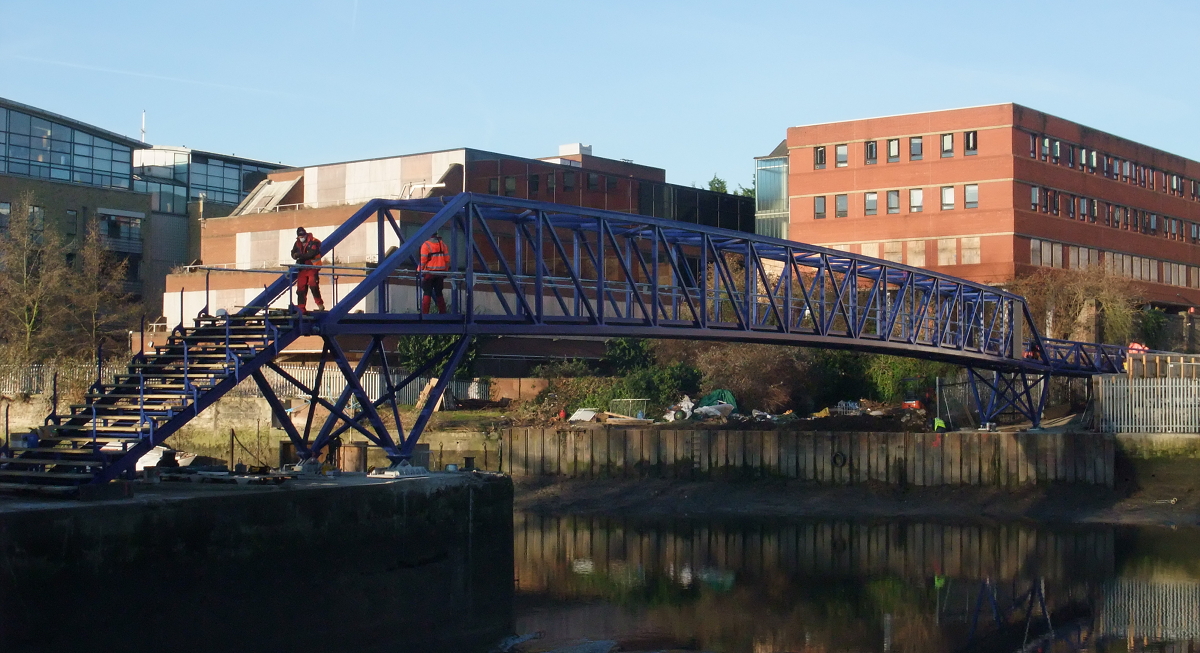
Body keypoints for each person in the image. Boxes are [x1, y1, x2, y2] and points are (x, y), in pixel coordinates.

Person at [291, 227, 325, 313]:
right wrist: (295, 255)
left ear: (306, 234)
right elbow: (293, 252)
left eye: (303, 235)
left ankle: (320, 304)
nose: (302, 237)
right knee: (301, 288)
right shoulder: (297, 243)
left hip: (312, 267)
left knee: (313, 284)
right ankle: (301, 308)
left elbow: (312, 253)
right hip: (302, 268)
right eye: (300, 236)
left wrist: (299, 256)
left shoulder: (314, 241)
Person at [419, 232, 449, 314]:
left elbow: (423, 260)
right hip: (440, 273)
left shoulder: (426, 245)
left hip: (429, 273)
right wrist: (445, 271)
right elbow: (447, 259)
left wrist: (419, 270)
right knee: (439, 293)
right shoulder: (443, 245)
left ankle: (425, 313)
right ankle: (443, 313)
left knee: (427, 292)